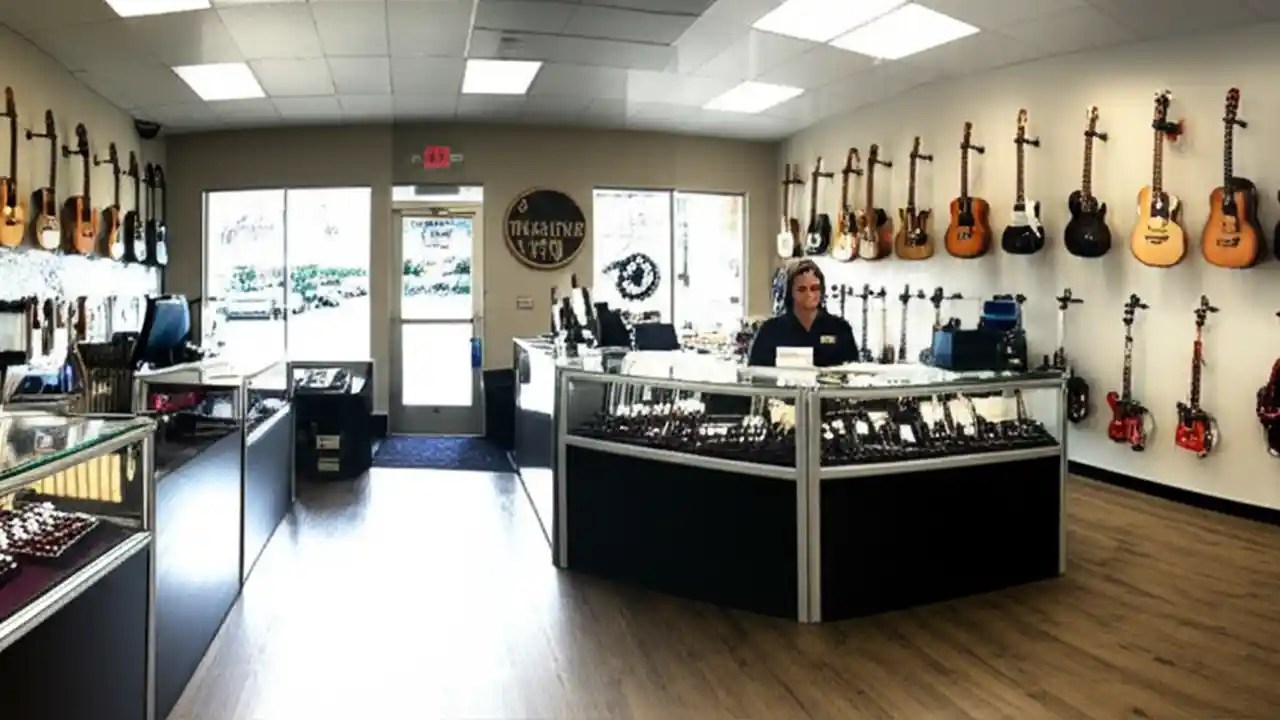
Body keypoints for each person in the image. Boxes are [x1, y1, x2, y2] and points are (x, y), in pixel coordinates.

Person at [748, 260, 858, 367]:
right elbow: (755, 371)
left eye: (814, 289)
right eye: (802, 289)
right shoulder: (770, 331)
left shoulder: (840, 328)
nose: (809, 294)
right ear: (790, 292)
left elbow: (853, 370)